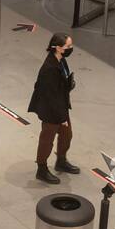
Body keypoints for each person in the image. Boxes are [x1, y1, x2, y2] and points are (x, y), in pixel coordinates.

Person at [28, 32, 80, 185]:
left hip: (60, 106)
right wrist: (62, 118)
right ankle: (41, 169)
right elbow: (51, 97)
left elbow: (59, 88)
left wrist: (68, 85)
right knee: (47, 140)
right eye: (68, 46)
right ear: (58, 48)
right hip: (51, 110)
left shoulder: (60, 60)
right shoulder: (50, 68)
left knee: (66, 135)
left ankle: (61, 161)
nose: (71, 48)